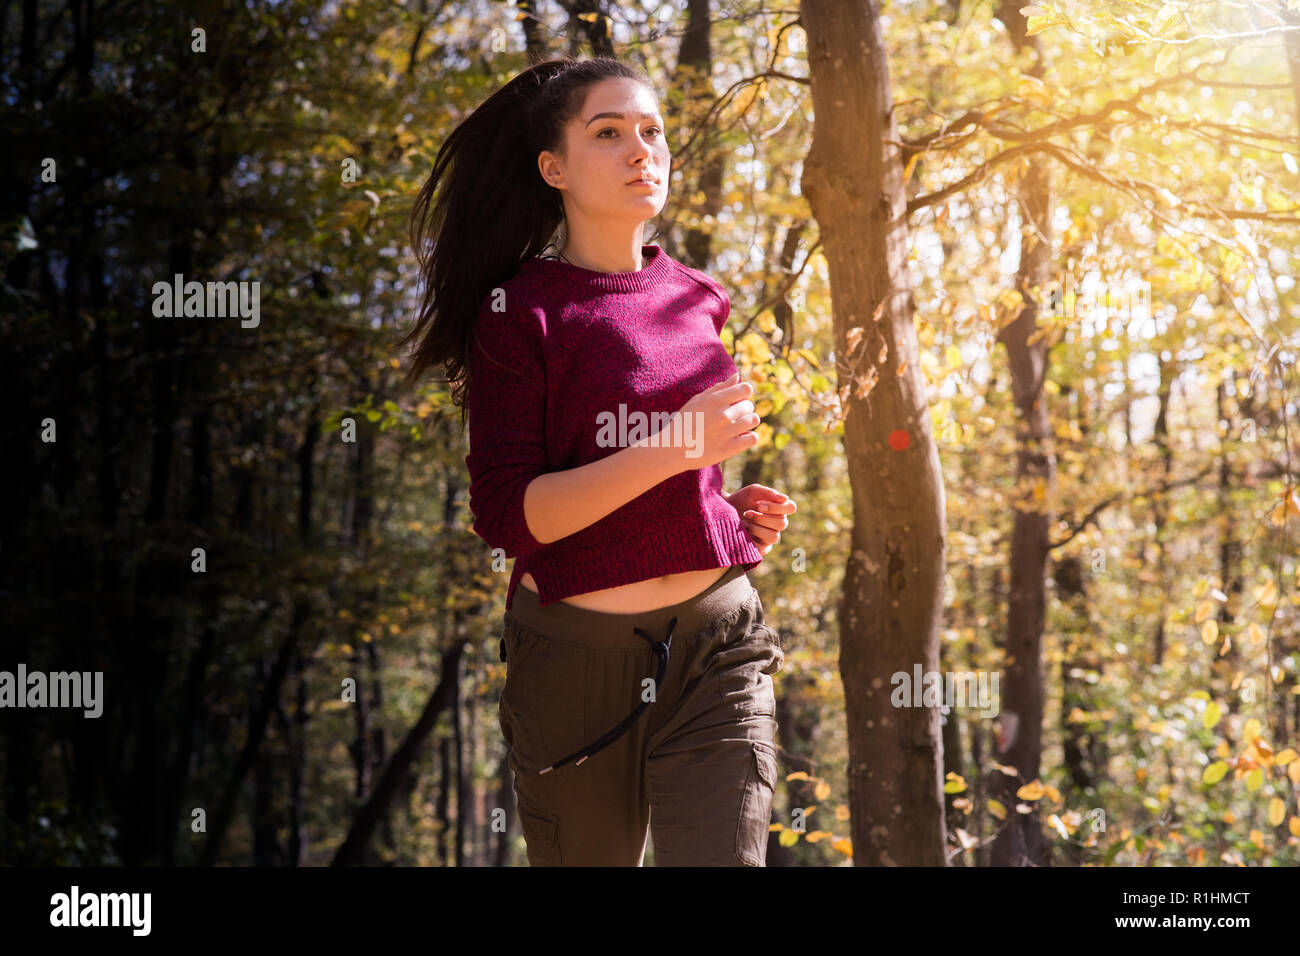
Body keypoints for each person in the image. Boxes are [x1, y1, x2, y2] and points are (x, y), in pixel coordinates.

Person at [401, 54, 798, 866]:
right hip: (578, 668)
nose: (640, 151)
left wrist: (724, 512)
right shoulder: (519, 314)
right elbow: (510, 515)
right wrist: (675, 447)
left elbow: (683, 471)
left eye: (652, 132)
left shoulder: (701, 298)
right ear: (554, 169)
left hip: (719, 641)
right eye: (609, 133)